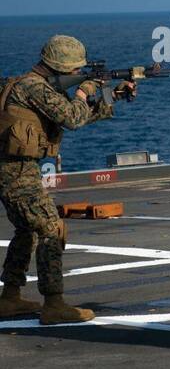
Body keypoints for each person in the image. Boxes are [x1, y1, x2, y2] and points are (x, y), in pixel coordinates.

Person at [0, 35, 123, 324]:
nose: (76, 74)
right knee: (52, 228)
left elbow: (70, 116)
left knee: (27, 229)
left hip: (14, 168)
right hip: (15, 170)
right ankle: (54, 304)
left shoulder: (30, 85)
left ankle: (10, 298)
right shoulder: (34, 87)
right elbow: (71, 118)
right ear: (61, 67)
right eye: (74, 70)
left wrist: (111, 97)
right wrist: (83, 92)